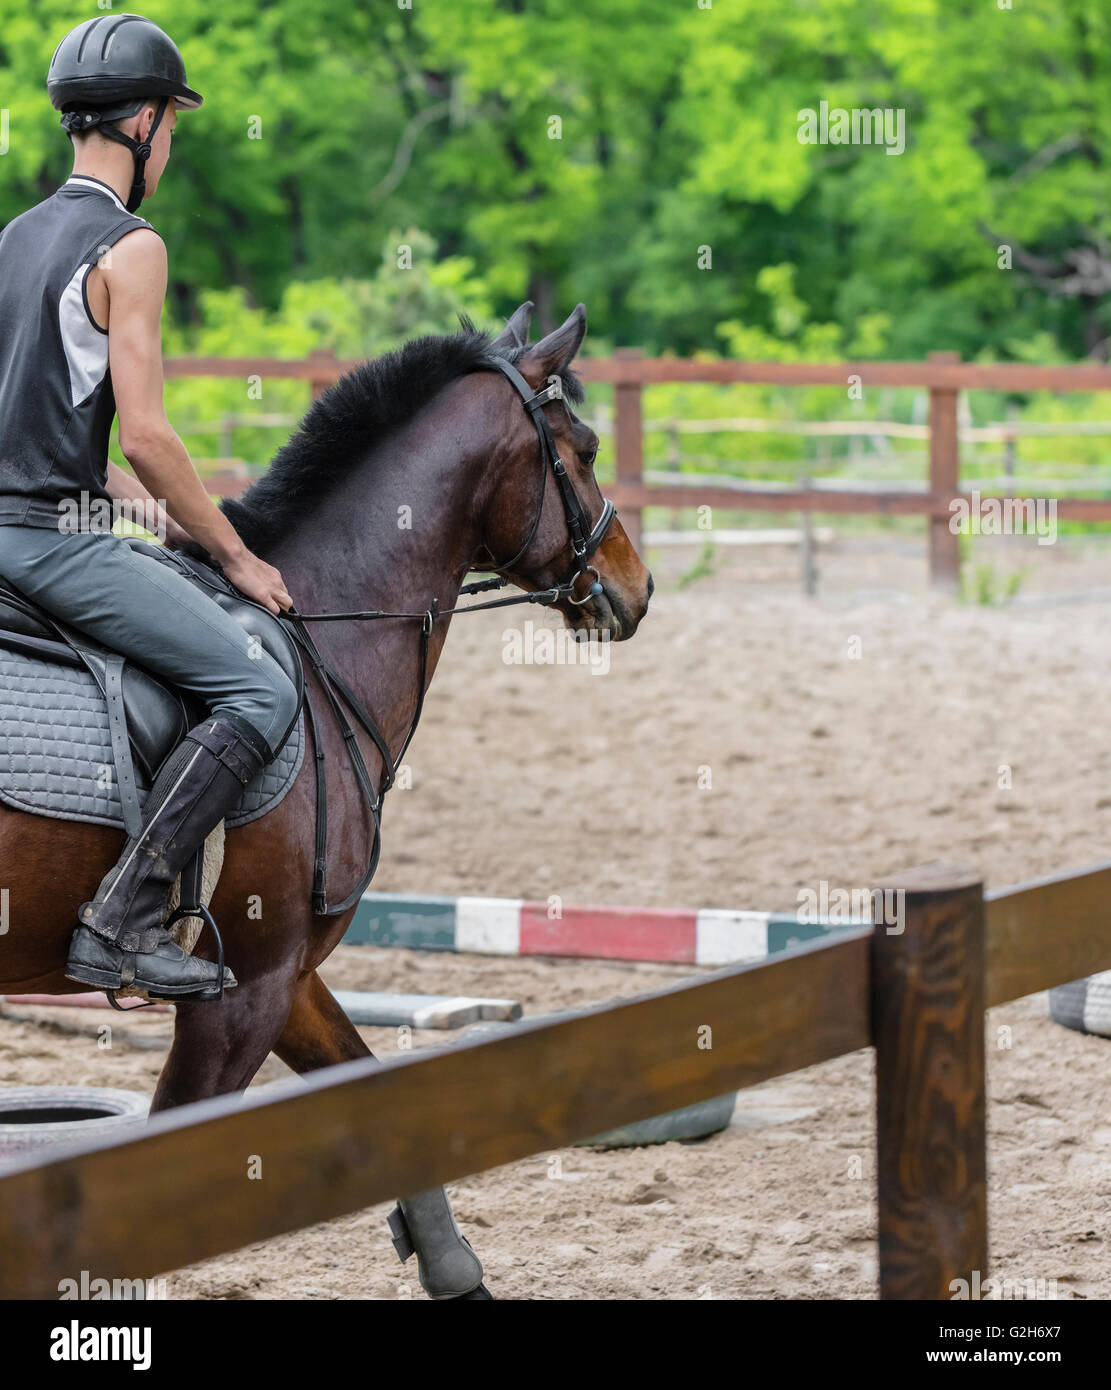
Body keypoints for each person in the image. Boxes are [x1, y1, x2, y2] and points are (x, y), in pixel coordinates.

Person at [0, 14, 300, 1001]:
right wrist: (237, 556)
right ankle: (125, 916)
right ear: (142, 122)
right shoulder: (132, 247)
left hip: (29, 524)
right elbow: (147, 435)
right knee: (258, 686)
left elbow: (52, 432)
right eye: (171, 123)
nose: (169, 143)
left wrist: (158, 521)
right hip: (48, 544)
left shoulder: (15, 240)